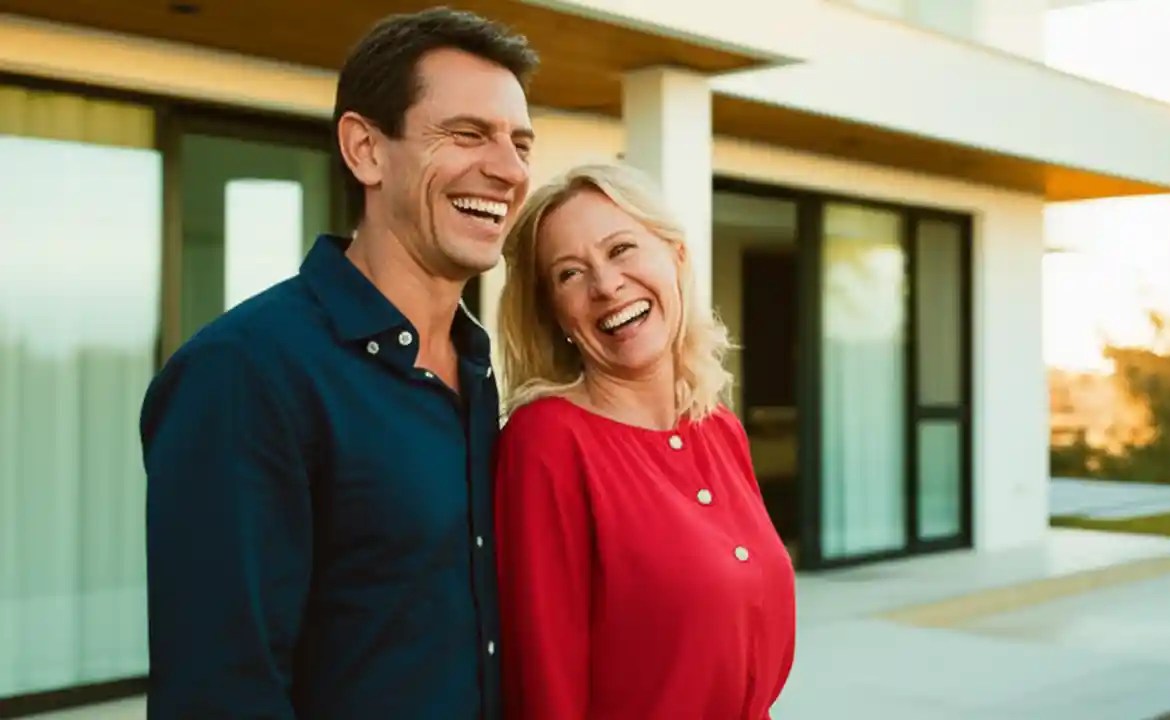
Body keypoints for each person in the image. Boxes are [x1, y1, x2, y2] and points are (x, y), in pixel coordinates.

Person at [139, 9, 537, 718]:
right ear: (365, 150)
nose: (507, 169)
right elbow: (220, 692)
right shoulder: (244, 373)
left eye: (520, 143)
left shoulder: (475, 367)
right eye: (467, 134)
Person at [493, 163, 797, 719]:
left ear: (677, 257)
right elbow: (545, 685)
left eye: (622, 249)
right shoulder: (545, 443)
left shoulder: (718, 428)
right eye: (569, 274)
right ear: (554, 314)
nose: (606, 285)